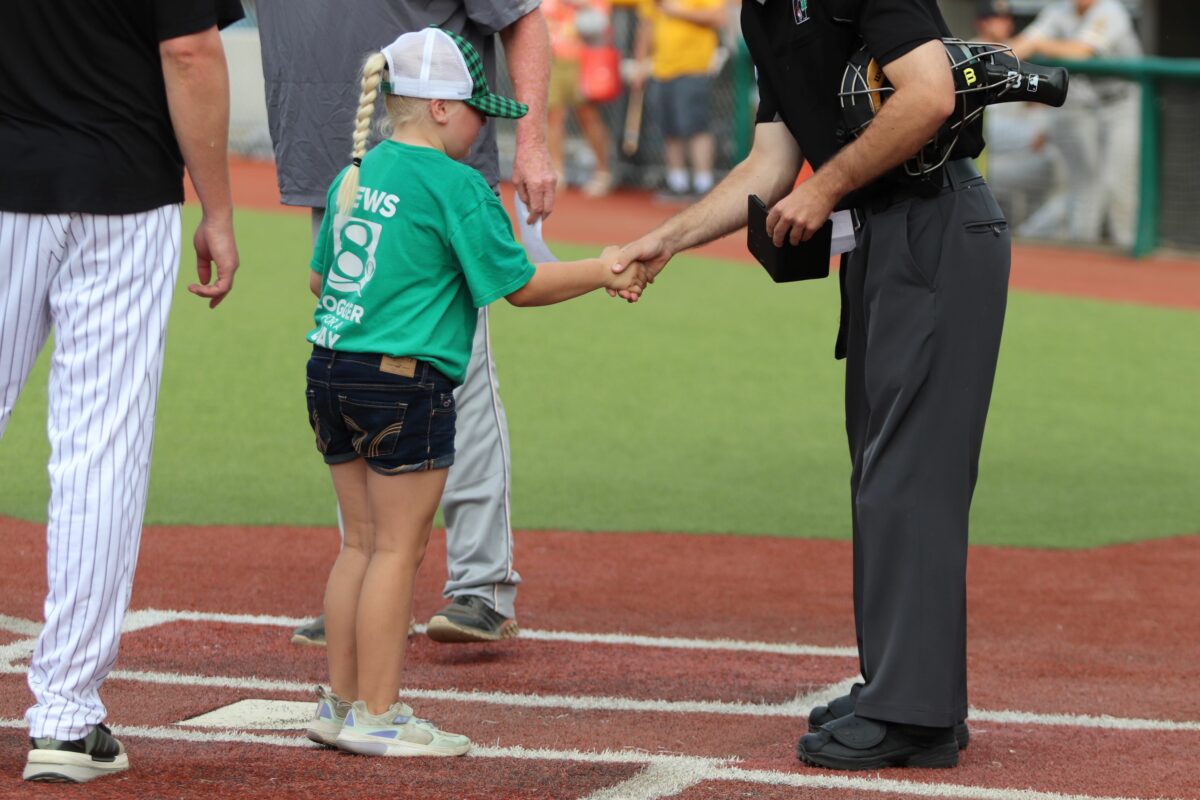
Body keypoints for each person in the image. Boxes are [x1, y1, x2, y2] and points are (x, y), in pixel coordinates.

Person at [616, 0, 1010, 770]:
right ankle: (906, 687)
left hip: (935, 223)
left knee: (908, 476)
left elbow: (928, 95)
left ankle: (915, 715)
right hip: (880, 241)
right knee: (881, 470)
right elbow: (766, 169)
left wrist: (825, 188)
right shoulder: (763, 13)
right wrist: (666, 239)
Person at [301, 27, 646, 756]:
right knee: (399, 550)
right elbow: (518, 286)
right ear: (437, 109)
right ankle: (379, 713)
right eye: (476, 109)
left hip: (330, 367)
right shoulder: (456, 184)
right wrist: (606, 267)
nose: (486, 123)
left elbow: (320, 278)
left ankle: (338, 704)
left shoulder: (354, 174)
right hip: (403, 384)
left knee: (359, 545)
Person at [256, 0, 557, 647]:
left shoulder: (452, 161)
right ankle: (365, 580)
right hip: (335, 167)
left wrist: (532, 140)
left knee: (459, 381)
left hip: (435, 171)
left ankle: (480, 584)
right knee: (365, 369)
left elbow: (523, 17)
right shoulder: (349, 174)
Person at [0, 0, 242, 783]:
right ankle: (66, 718)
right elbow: (191, 53)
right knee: (100, 450)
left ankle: (70, 713)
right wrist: (220, 209)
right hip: (123, 192)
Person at [1008, 0, 1142, 247]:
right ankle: (1082, 251)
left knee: (1116, 183)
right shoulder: (1059, 11)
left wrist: (1040, 46)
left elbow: (1082, 51)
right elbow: (1024, 44)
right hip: (1091, 102)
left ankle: (1130, 250)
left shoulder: (1110, 11)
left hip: (1124, 100)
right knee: (1085, 183)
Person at [974, 0, 1064, 229]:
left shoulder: (1014, 51)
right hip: (984, 132)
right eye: (995, 18)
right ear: (981, 22)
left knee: (1050, 165)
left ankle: (1029, 231)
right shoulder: (973, 49)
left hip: (1004, 150)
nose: (1003, 24)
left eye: (1006, 19)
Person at [633, 0, 728, 199]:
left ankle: (704, 183)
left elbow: (718, 17)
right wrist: (640, 64)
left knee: (696, 126)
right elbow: (646, 27)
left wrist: (676, 11)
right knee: (669, 127)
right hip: (660, 69)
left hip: (693, 68)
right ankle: (677, 182)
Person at [545, 0, 617, 196]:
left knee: (588, 117)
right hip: (552, 59)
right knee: (554, 116)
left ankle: (603, 172)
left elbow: (601, 22)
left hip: (584, 59)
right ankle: (557, 172)